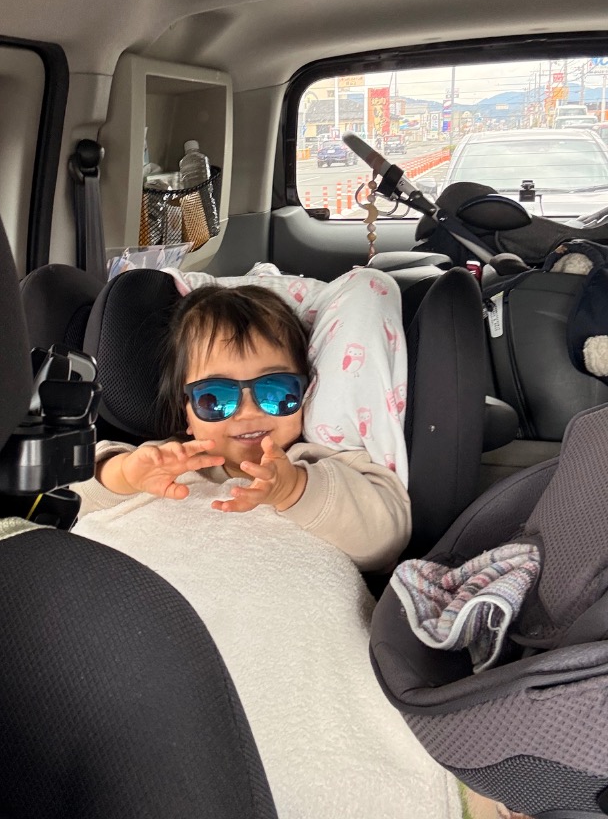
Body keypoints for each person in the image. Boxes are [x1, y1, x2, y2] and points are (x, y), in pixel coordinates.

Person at [72, 284, 462, 819]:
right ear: (187, 412)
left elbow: (386, 533)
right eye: (216, 398)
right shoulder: (161, 462)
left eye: (277, 392)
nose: (249, 412)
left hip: (283, 638)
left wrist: (296, 490)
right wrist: (121, 474)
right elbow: (66, 502)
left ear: (308, 393)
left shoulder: (321, 465)